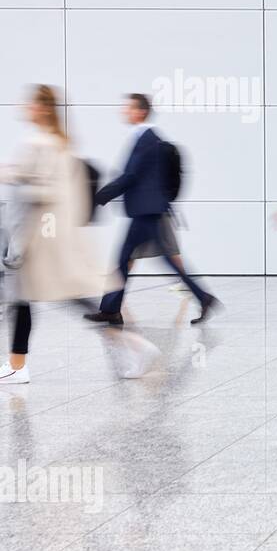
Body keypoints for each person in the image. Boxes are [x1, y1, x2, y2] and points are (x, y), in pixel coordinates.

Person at [83, 93, 219, 327]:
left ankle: (112, 309)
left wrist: (100, 196)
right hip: (147, 211)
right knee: (134, 259)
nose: (124, 112)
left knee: (135, 259)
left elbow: (131, 176)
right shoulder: (146, 138)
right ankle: (111, 309)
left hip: (147, 212)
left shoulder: (146, 139)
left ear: (141, 111)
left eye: (129, 108)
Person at [0, 86, 101, 384]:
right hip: (32, 234)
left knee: (38, 297)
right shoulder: (51, 142)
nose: (26, 107)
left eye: (31, 103)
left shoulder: (44, 142)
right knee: (28, 298)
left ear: (43, 108)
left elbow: (46, 191)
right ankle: (17, 364)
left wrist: (18, 176)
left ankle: (122, 336)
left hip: (31, 235)